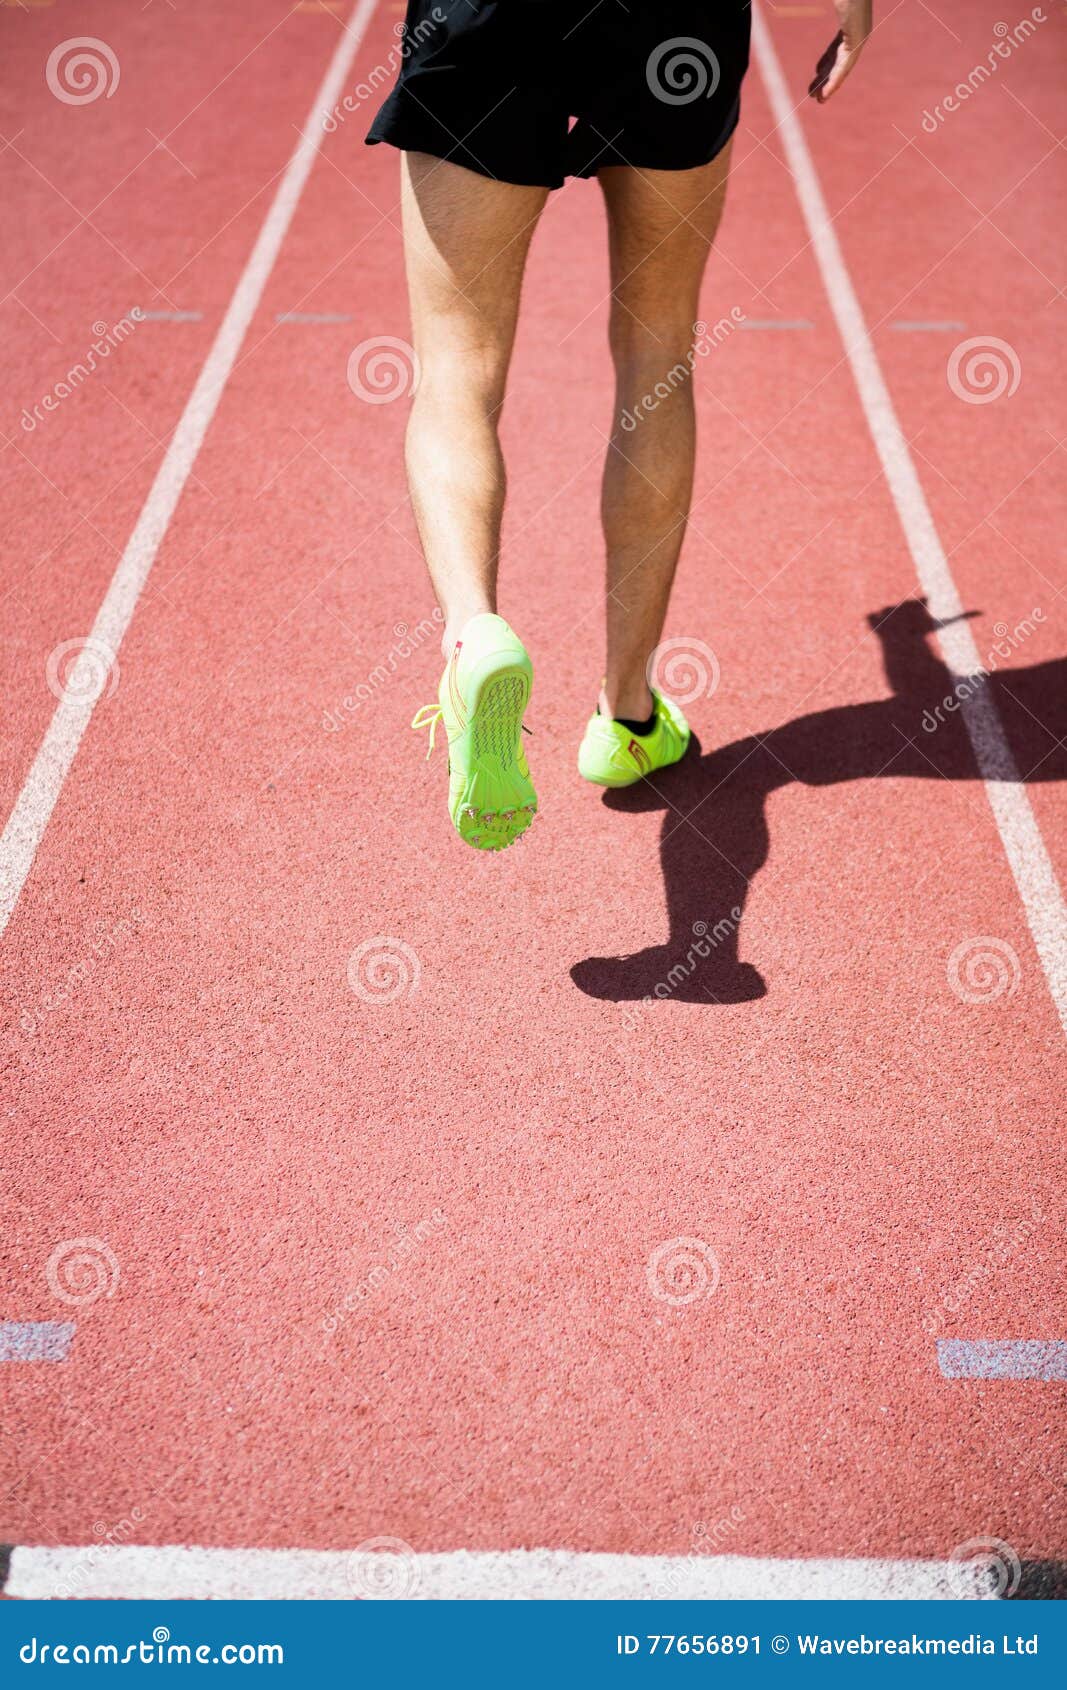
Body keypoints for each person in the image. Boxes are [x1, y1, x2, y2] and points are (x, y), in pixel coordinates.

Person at [368, 1, 872, 851]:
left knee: (456, 371)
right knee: (657, 355)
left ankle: (472, 631)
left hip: (485, 16)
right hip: (675, 23)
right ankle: (627, 714)